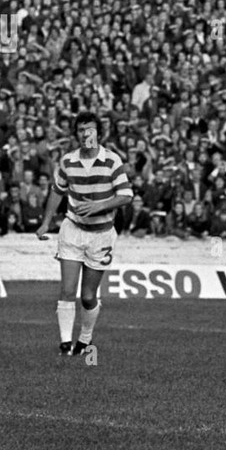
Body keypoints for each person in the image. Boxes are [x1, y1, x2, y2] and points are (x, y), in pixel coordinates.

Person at [36, 111, 133, 356]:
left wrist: (100, 205)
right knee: (67, 291)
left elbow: (126, 195)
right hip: (73, 230)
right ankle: (65, 344)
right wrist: (46, 222)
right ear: (76, 134)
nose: (85, 134)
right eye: (81, 130)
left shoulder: (112, 160)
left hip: (101, 234)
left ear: (98, 133)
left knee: (88, 296)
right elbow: (57, 191)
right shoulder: (68, 161)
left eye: (89, 129)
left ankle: (85, 339)